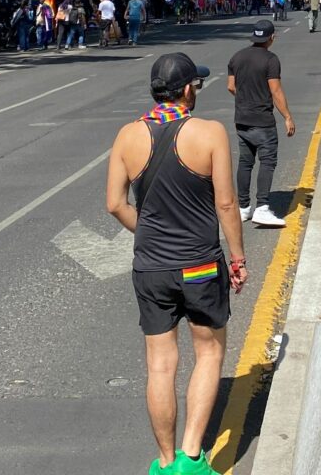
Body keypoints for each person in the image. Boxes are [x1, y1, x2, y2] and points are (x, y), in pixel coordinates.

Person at [105, 52, 246, 475]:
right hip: (200, 264)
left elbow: (115, 203)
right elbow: (225, 202)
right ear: (187, 90)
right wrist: (237, 257)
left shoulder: (127, 136)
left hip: (150, 267)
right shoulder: (210, 133)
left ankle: (165, 464)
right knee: (208, 354)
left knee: (160, 365)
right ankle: (191, 457)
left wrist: (148, 232)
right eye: (196, 85)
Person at [226, 20, 295, 228]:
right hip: (263, 121)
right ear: (271, 38)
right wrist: (287, 116)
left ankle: (244, 208)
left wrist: (246, 98)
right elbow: (275, 90)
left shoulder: (236, 57)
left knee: (245, 163)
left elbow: (231, 86)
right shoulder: (271, 60)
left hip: (242, 119)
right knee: (267, 161)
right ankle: (262, 207)